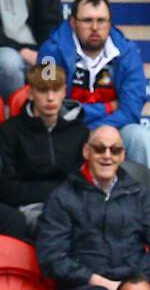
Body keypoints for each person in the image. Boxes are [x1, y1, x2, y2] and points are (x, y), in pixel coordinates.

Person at [36, 125, 150, 290]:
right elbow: (52, 257)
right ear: (86, 151)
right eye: (99, 149)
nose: (107, 155)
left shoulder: (140, 194)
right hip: (85, 286)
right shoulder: (62, 197)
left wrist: (136, 282)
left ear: (122, 156)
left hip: (134, 279)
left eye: (115, 150)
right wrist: (96, 280)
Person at [36, 0, 150, 175]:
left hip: (114, 129)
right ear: (73, 22)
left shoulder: (127, 52)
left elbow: (131, 111)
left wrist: (99, 129)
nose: (95, 28)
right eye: (87, 21)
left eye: (101, 21)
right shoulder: (51, 52)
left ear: (110, 23)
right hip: (67, 130)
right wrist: (108, 107)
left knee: (142, 137)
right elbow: (52, 106)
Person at [0, 64, 88, 243]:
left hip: (73, 207)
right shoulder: (10, 131)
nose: (50, 98)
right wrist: (58, 190)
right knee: (55, 225)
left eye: (56, 90)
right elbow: (8, 189)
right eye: (43, 90)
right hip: (28, 209)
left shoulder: (80, 132)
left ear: (64, 92)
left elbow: (84, 183)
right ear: (30, 93)